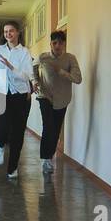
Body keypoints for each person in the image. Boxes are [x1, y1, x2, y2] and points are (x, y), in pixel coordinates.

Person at [0, 20, 33, 179]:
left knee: (17, 133)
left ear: (18, 32)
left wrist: (11, 67)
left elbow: (27, 76)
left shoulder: (24, 53)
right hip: (1, 93)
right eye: (6, 31)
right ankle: (0, 145)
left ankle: (12, 168)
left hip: (20, 95)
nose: (8, 34)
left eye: (11, 31)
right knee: (2, 127)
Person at [33, 30, 82, 173]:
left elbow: (78, 79)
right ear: (50, 44)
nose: (57, 46)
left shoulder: (70, 58)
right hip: (45, 96)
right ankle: (46, 160)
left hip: (62, 99)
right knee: (48, 127)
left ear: (64, 44)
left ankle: (50, 156)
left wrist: (61, 71)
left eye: (61, 43)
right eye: (55, 43)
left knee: (55, 130)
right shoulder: (43, 57)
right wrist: (35, 81)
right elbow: (33, 69)